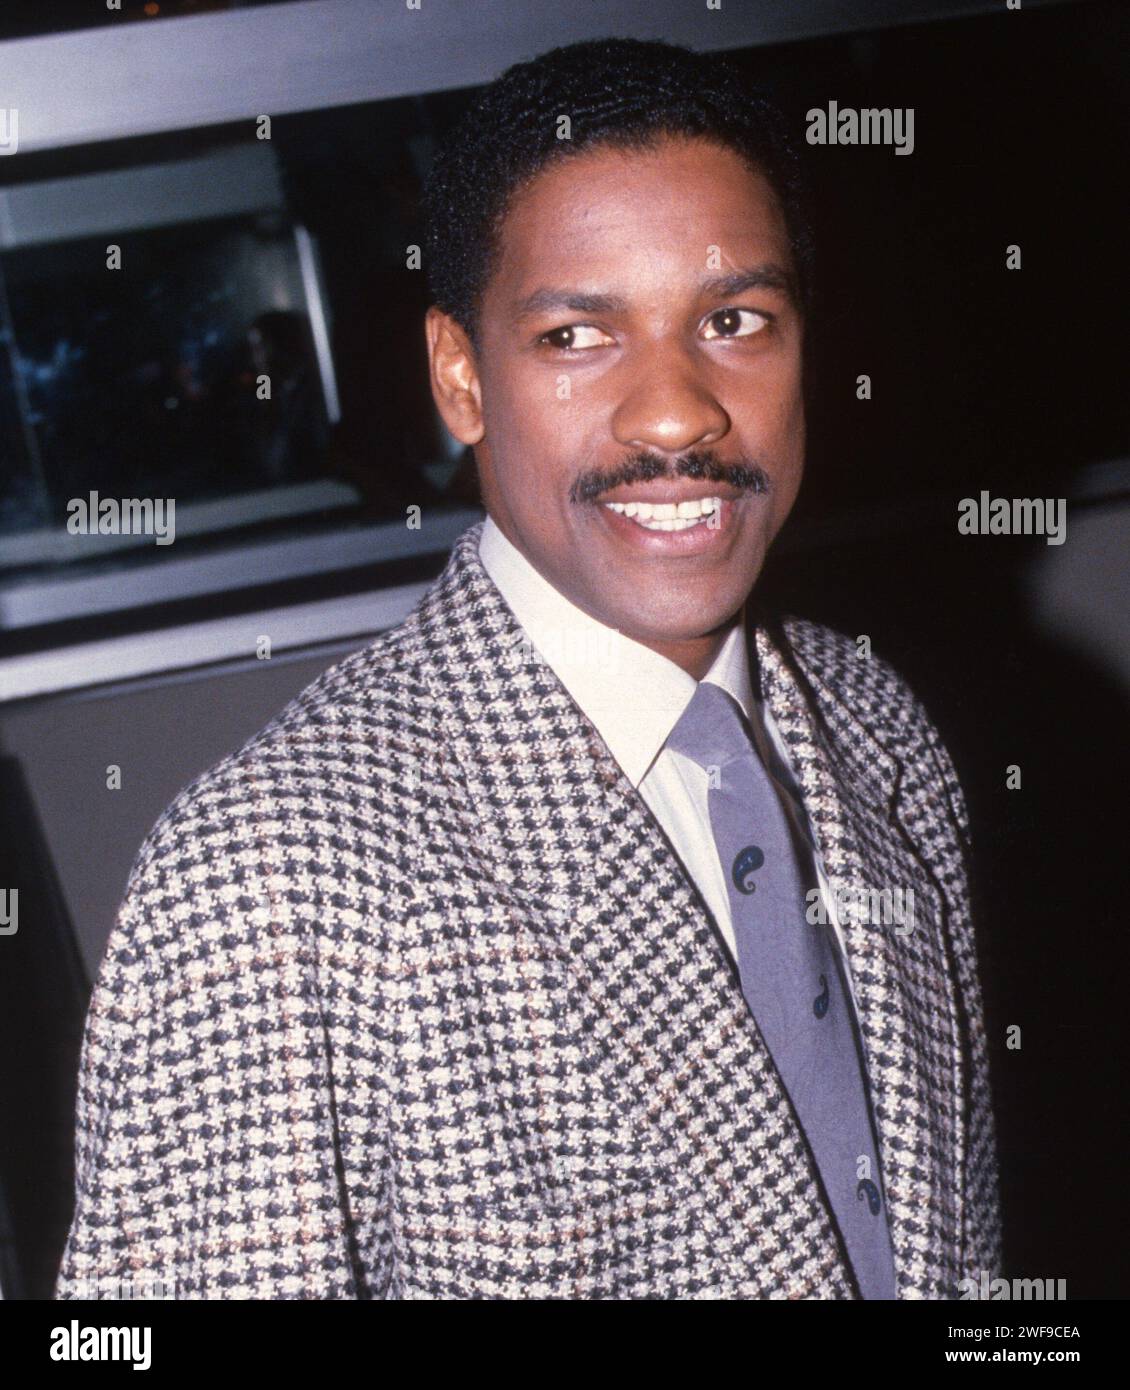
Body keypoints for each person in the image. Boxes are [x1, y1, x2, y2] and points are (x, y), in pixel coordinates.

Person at [55, 36, 1001, 1300]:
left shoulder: (879, 732)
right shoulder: (268, 884)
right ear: (461, 376)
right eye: (575, 335)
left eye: (732, 321)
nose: (676, 413)